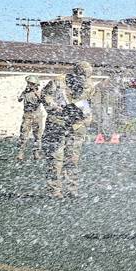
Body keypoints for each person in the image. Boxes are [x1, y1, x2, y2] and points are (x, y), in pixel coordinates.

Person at [42, 61, 97, 198]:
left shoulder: (90, 86)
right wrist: (53, 105)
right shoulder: (59, 81)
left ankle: (71, 188)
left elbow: (88, 103)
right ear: (76, 73)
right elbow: (45, 95)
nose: (84, 80)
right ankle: (54, 190)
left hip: (76, 125)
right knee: (56, 158)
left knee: (72, 158)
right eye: (82, 76)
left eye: (86, 77)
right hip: (57, 123)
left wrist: (86, 117)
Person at [16, 76, 45, 160]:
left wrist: (37, 94)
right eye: (28, 83)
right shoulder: (25, 92)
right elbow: (19, 99)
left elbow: (43, 101)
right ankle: (21, 153)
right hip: (27, 115)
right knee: (24, 134)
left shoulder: (39, 93)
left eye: (31, 84)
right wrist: (24, 92)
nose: (29, 85)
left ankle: (36, 153)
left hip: (37, 115)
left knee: (37, 135)